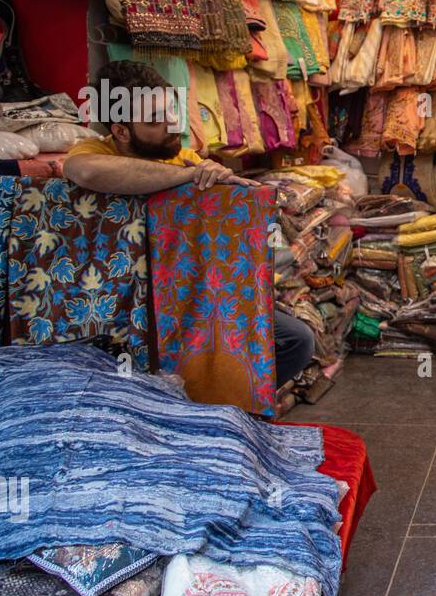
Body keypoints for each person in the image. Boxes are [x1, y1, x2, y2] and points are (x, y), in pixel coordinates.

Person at [62, 60, 316, 390]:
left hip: (193, 291)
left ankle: (222, 414)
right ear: (121, 131)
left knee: (296, 340)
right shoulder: (99, 150)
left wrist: (235, 193)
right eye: (155, 120)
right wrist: (185, 178)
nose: (172, 124)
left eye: (171, 111)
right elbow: (85, 172)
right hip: (122, 297)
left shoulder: (183, 156)